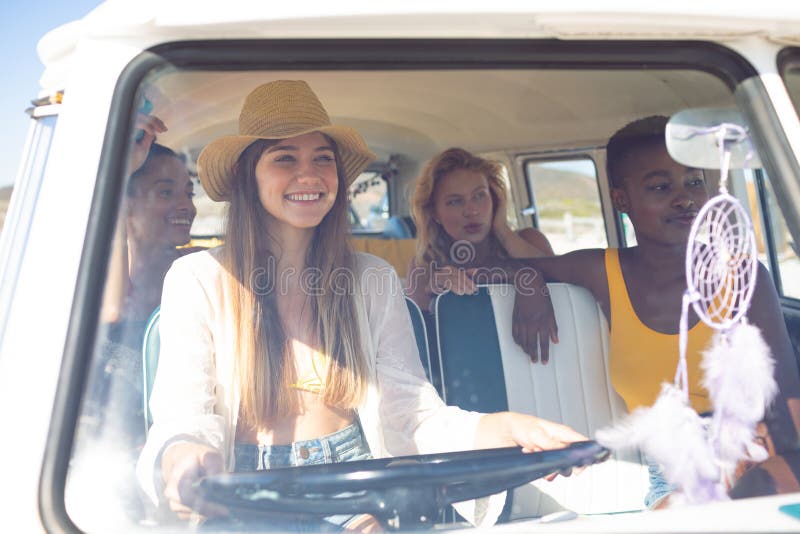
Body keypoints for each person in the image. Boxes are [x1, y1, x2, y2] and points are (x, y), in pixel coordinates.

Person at [135, 80, 585, 531]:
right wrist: (183, 459)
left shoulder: (371, 278)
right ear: (248, 177)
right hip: (241, 486)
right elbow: (185, 415)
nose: (308, 175)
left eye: (323, 159)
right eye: (285, 158)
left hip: (359, 483)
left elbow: (412, 414)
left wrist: (506, 428)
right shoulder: (198, 279)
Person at [497, 115, 800, 506]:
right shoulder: (602, 271)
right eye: (660, 186)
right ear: (621, 199)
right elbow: (495, 269)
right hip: (674, 478)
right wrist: (529, 282)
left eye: (693, 181)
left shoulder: (743, 274)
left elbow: (789, 406)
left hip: (760, 457)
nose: (685, 198)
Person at [406, 148, 554, 315]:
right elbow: (418, 335)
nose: (471, 211)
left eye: (479, 196)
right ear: (435, 212)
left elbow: (557, 285)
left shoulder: (530, 240)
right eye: (455, 202)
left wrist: (503, 231)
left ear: (495, 198)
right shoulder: (425, 265)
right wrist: (434, 294)